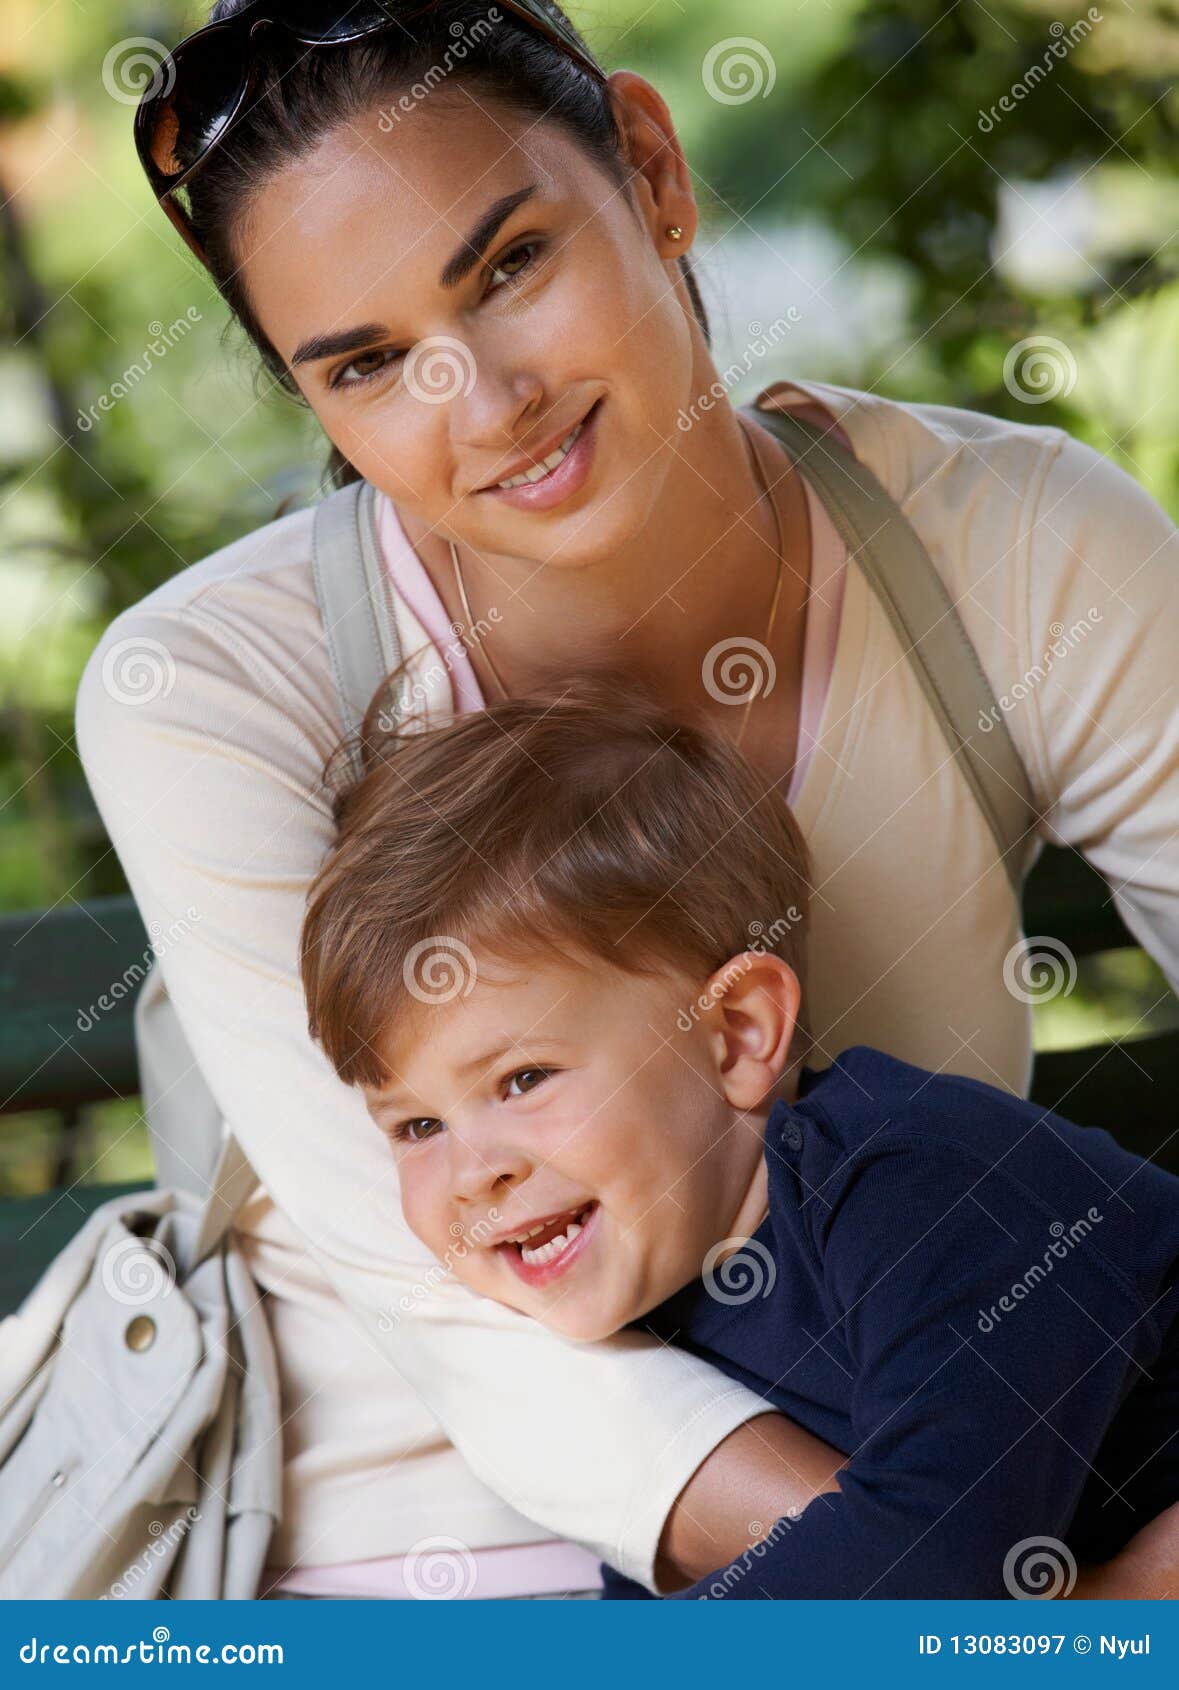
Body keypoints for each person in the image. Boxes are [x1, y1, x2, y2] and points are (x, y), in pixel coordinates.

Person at [76, 0, 1179, 1596]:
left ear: (652, 172)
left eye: (510, 265)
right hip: (407, 1566)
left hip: (969, 1503)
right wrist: (996, 1610)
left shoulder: (1016, 556)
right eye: (368, 364)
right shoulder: (209, 691)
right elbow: (467, 1333)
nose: (485, 403)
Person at [298, 674, 1179, 1599]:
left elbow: (929, 1565)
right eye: (417, 1125)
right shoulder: (645, 1319)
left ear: (735, 1036)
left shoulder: (929, 1186)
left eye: (523, 1079)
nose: (473, 1173)